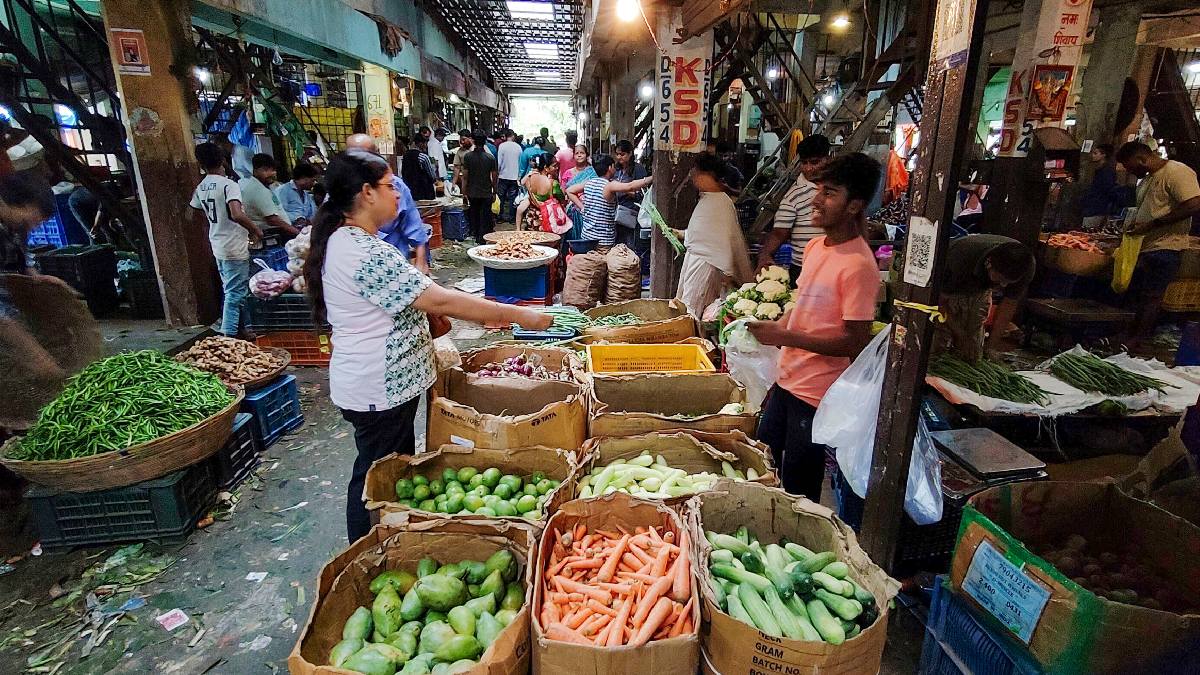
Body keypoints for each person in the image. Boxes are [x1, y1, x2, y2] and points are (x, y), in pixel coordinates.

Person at [302, 150, 552, 541]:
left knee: (389, 468)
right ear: (366, 193)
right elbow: (440, 299)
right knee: (374, 475)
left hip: (382, 387)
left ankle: (387, 537)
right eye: (389, 186)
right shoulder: (362, 251)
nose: (398, 194)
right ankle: (367, 546)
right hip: (378, 388)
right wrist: (521, 315)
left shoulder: (352, 241)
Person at [748, 153, 883, 500]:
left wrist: (784, 336)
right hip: (788, 378)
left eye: (830, 193)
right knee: (762, 460)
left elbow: (853, 342)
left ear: (854, 206)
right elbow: (801, 303)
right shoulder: (814, 246)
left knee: (799, 485)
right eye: (819, 189)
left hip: (816, 394)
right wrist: (779, 326)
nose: (817, 200)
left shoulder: (859, 265)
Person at [1115, 141, 1200, 344]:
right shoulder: (1148, 180)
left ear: (1142, 159)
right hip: (1145, 246)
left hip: (1166, 247)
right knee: (1137, 295)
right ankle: (1127, 336)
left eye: (1130, 167)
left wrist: (1153, 225)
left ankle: (1136, 340)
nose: (1130, 172)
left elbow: (1193, 204)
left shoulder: (1177, 172)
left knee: (1151, 296)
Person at [188, 142, 262, 339]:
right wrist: (255, 229)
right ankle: (228, 338)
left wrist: (216, 223)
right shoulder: (229, 185)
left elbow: (194, 214)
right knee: (234, 293)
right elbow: (237, 214)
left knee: (234, 287)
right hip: (234, 245)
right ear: (222, 160)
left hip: (218, 243)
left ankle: (243, 330)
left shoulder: (201, 187)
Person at [670, 153, 753, 320]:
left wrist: (728, 272)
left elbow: (724, 240)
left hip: (707, 267)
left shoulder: (720, 202)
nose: (693, 175)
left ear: (710, 176)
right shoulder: (708, 199)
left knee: (695, 313)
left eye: (697, 172)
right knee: (689, 310)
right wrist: (680, 233)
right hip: (697, 262)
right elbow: (703, 233)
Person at [938, 234, 1035, 361]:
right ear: (988, 264)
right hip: (950, 287)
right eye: (1000, 279)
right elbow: (939, 303)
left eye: (1008, 282)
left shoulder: (1025, 267)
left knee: (973, 350)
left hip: (981, 288)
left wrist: (991, 346)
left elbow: (1009, 304)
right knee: (940, 343)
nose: (1003, 285)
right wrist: (961, 335)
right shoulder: (959, 257)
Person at [345, 133, 429, 275]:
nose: (396, 195)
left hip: (396, 259)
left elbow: (413, 225)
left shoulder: (396, 185)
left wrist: (421, 262)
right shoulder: (342, 191)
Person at [758, 134, 831, 278]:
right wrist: (765, 255)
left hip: (833, 267)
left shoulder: (840, 190)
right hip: (804, 269)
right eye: (804, 163)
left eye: (814, 162)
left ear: (827, 159)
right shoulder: (794, 195)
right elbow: (779, 233)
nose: (808, 168)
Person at [567, 155, 653, 249]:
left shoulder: (589, 183)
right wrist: (651, 178)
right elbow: (630, 186)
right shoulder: (609, 186)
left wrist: (582, 207)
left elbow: (569, 190)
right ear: (609, 168)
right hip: (603, 240)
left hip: (587, 236)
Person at [238, 154, 299, 243]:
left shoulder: (262, 186)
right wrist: (297, 232)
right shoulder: (258, 190)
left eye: (273, 170)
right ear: (255, 171)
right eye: (266, 170)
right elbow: (273, 220)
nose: (271, 173)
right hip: (272, 237)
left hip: (277, 233)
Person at [462, 129, 498, 243]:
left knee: (475, 214)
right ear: (485, 141)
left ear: (473, 141)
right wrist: (494, 192)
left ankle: (477, 236)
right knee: (485, 217)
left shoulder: (468, 157)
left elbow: (465, 177)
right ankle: (483, 238)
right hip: (486, 191)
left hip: (472, 191)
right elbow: (494, 177)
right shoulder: (490, 158)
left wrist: (464, 192)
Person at [612, 139, 649, 250]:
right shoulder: (616, 169)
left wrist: (624, 189)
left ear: (630, 153)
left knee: (630, 245)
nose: (619, 157)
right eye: (617, 154)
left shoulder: (638, 170)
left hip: (631, 213)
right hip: (615, 213)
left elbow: (644, 195)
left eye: (622, 154)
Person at [516, 153, 568, 233]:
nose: (557, 168)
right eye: (554, 166)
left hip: (532, 218)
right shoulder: (553, 183)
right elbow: (562, 200)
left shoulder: (529, 179)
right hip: (547, 219)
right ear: (546, 168)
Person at [1080, 143, 1125, 230]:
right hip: (1094, 207)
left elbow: (1107, 189)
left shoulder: (1106, 172)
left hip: (1097, 208)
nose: (1092, 155)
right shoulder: (1100, 170)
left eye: (1096, 153)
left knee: (1088, 232)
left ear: (1103, 155)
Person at [563, 144, 596, 241]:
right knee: (573, 236)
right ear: (573, 156)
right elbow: (564, 192)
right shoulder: (568, 173)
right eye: (577, 153)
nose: (579, 155)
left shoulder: (593, 172)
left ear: (587, 155)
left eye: (582, 153)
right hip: (572, 211)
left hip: (589, 209)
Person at [274, 162, 319, 229]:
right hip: (288, 230)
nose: (314, 183)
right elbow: (278, 212)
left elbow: (314, 213)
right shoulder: (283, 190)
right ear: (303, 178)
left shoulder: (307, 195)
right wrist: (296, 218)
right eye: (313, 180)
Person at [495, 130, 522, 222]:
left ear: (505, 136)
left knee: (501, 197)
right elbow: (520, 162)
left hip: (503, 175)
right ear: (513, 136)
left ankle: (500, 217)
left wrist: (497, 172)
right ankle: (512, 218)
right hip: (514, 176)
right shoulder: (518, 147)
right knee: (512, 198)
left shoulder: (502, 146)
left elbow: (499, 161)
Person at [401, 136, 437, 201]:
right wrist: (434, 180)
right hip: (423, 190)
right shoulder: (423, 157)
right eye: (425, 144)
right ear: (421, 144)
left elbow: (403, 172)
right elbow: (431, 174)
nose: (426, 146)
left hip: (409, 189)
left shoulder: (405, 156)